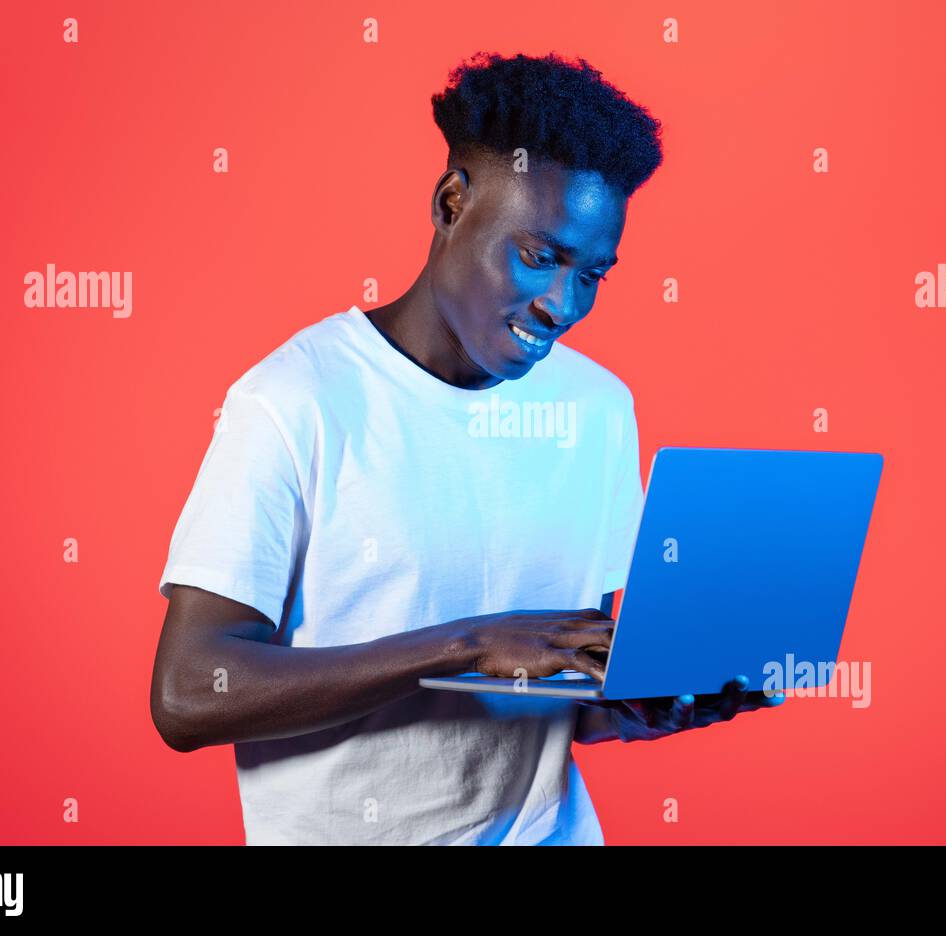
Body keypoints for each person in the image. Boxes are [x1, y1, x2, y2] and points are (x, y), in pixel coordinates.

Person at [150, 50, 782, 846]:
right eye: (540, 257)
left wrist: (636, 705)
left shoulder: (597, 409)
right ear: (452, 203)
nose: (562, 305)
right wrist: (465, 645)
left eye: (593, 275)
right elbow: (187, 695)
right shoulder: (296, 401)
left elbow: (543, 701)